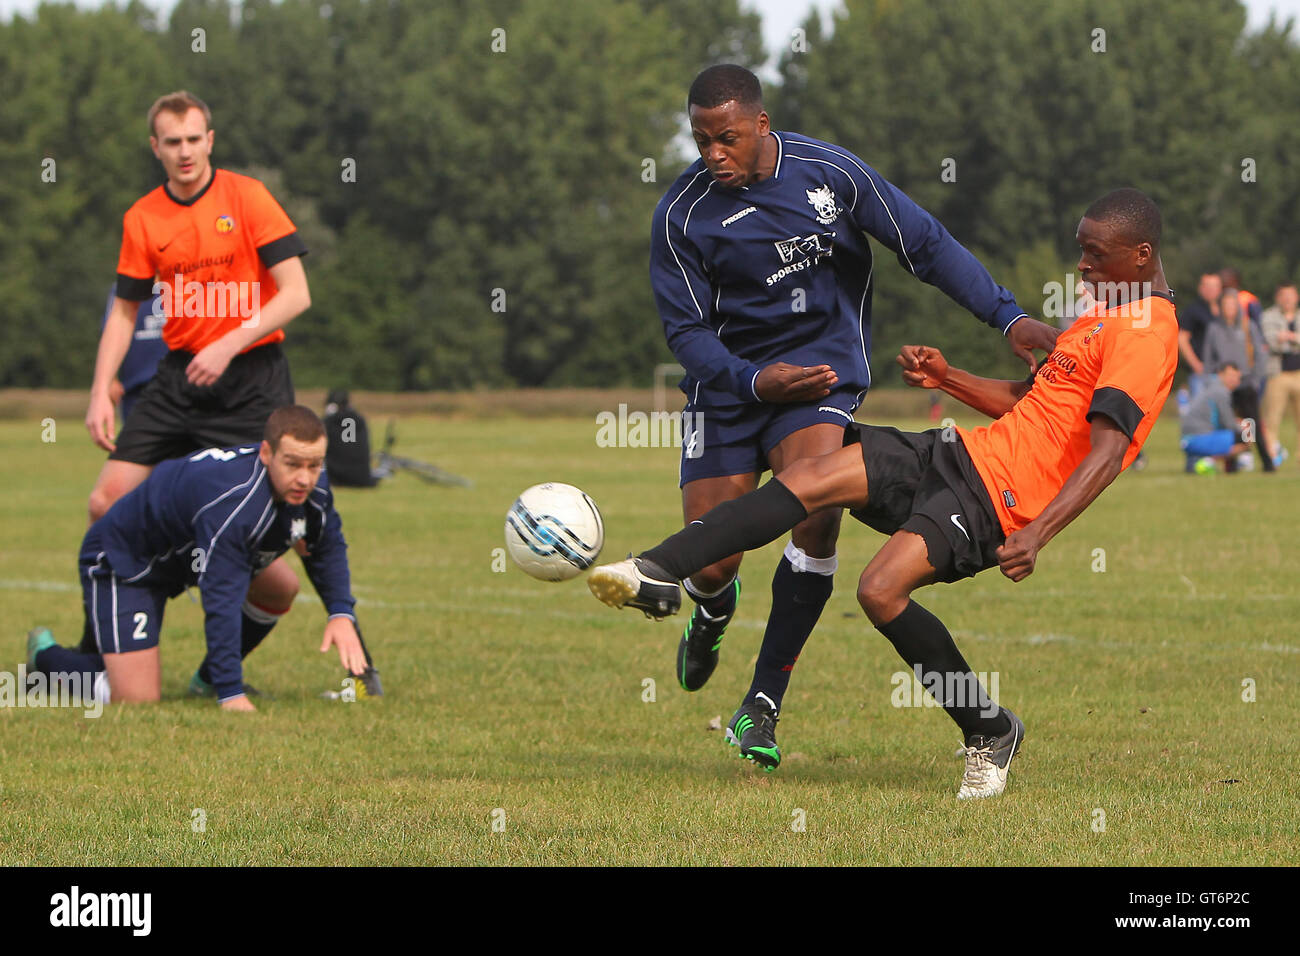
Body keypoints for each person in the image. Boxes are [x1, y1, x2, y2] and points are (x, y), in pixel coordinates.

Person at [592, 188, 1177, 799]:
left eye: (1094, 254)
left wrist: (1038, 533)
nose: (1081, 266)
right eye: (1081, 250)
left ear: (1141, 255)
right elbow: (1031, 404)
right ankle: (656, 566)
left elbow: (1108, 452)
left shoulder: (1146, 334)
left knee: (878, 591)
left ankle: (990, 729)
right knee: (811, 477)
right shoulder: (1106, 313)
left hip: (998, 502)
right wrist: (947, 378)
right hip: (961, 452)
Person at [649, 64, 1059, 770]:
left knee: (815, 497)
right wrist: (751, 378)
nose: (713, 153)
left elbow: (924, 245)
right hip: (728, 389)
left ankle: (762, 705)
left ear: (761, 126)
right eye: (701, 140)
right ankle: (713, 606)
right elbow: (685, 334)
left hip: (818, 376)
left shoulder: (830, 175)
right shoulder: (681, 214)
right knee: (713, 563)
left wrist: (1010, 316)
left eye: (727, 138)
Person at [79, 91, 381, 694]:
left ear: (209, 140)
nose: (185, 151)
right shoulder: (143, 218)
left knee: (297, 513)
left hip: (251, 382)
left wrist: (229, 343)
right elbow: (124, 311)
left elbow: (296, 293)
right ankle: (106, 644)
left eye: (194, 139)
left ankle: (356, 659)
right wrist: (98, 391)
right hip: (180, 378)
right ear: (156, 149)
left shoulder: (247, 198)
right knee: (106, 503)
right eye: (172, 142)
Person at [26, 407, 367, 711]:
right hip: (127, 562)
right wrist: (231, 694)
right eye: (292, 464)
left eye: (314, 464)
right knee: (137, 699)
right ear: (266, 453)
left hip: (191, 554)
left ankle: (204, 681)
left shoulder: (314, 486)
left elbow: (327, 545)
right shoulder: (234, 503)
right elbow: (221, 598)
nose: (305, 477)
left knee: (281, 587)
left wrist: (340, 612)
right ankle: (45, 657)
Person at [1202, 289, 1275, 470]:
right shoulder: (1214, 329)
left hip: (1246, 382)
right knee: (1227, 424)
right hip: (1223, 386)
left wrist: (1256, 378)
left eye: (1232, 305)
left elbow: (1260, 353)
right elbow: (1208, 358)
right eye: (1226, 305)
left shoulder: (1247, 326)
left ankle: (1266, 461)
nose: (1229, 309)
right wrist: (1212, 381)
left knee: (1253, 423)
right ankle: (1231, 463)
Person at [99, 289, 166, 423]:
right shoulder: (124, 289)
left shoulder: (186, 284)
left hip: (180, 383)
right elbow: (111, 336)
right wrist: (109, 379)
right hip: (135, 387)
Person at [1179, 362, 1250, 474]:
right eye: (1231, 376)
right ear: (1220, 374)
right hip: (1198, 438)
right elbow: (1229, 424)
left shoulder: (1208, 386)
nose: (1235, 380)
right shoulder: (1221, 392)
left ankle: (1195, 463)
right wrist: (1243, 426)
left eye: (1237, 377)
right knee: (1245, 436)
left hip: (1187, 439)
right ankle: (1209, 461)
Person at [1260, 281, 1300, 464]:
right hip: (1277, 375)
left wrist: (1289, 337)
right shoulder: (1268, 316)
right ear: (1278, 298)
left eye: (1290, 296)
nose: (1287, 300)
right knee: (1272, 418)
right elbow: (1272, 341)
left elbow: (1281, 340)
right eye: (1284, 296)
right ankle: (1271, 454)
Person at [1177, 272, 1221, 397]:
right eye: (1208, 286)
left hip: (1223, 372)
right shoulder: (1193, 310)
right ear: (1201, 288)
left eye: (1215, 286)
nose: (1211, 290)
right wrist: (1196, 364)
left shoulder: (1225, 311)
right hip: (1202, 371)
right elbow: (1182, 338)